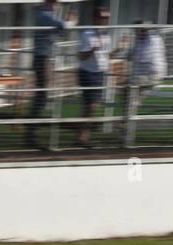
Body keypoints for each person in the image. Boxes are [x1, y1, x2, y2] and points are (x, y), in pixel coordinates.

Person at [26, 0, 71, 149]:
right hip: (42, 59)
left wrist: (63, 26)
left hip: (46, 58)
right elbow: (62, 27)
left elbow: (61, 33)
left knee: (43, 96)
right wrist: (71, 21)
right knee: (42, 95)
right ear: (50, 3)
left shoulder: (46, 16)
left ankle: (31, 131)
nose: (58, 5)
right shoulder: (43, 15)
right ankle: (30, 133)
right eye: (56, 2)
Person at [76, 6, 111, 147]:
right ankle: (82, 137)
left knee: (91, 107)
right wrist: (93, 49)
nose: (104, 20)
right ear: (95, 18)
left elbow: (106, 56)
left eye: (106, 18)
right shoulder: (87, 34)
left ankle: (81, 134)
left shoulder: (106, 36)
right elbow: (81, 56)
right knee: (92, 106)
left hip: (99, 73)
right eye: (102, 17)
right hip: (87, 72)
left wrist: (120, 49)